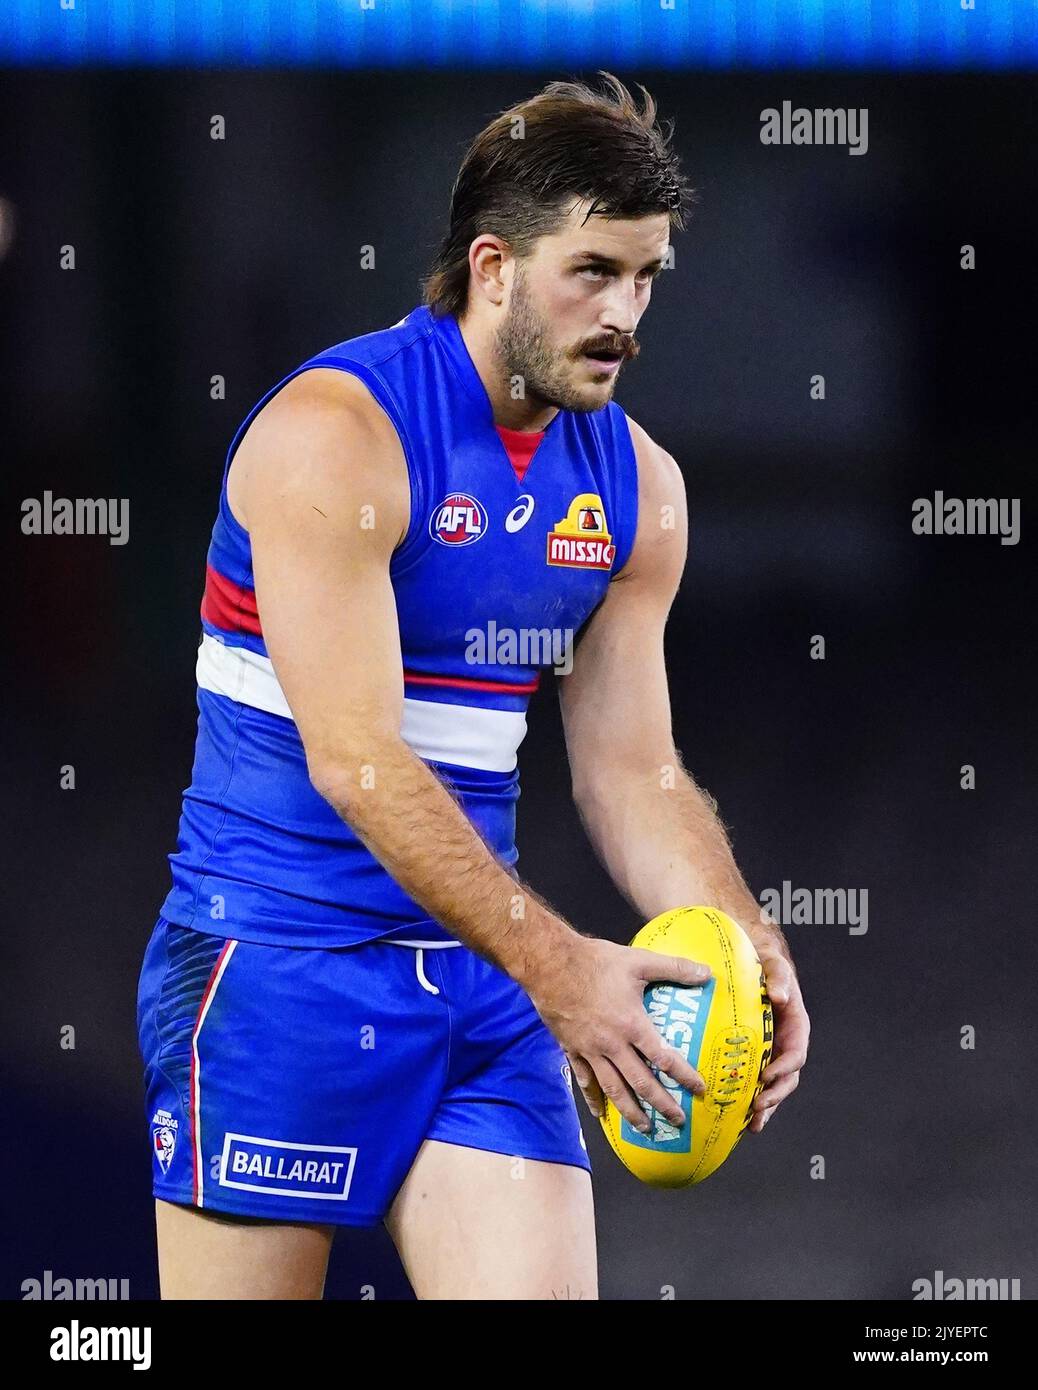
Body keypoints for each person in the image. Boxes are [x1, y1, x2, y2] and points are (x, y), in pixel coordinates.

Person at [137, 71, 809, 1301]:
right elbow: (357, 760)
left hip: (484, 986)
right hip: (276, 970)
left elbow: (630, 769)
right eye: (594, 272)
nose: (627, 314)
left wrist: (742, 935)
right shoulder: (335, 438)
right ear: (493, 266)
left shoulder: (637, 489)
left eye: (647, 275)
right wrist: (565, 971)